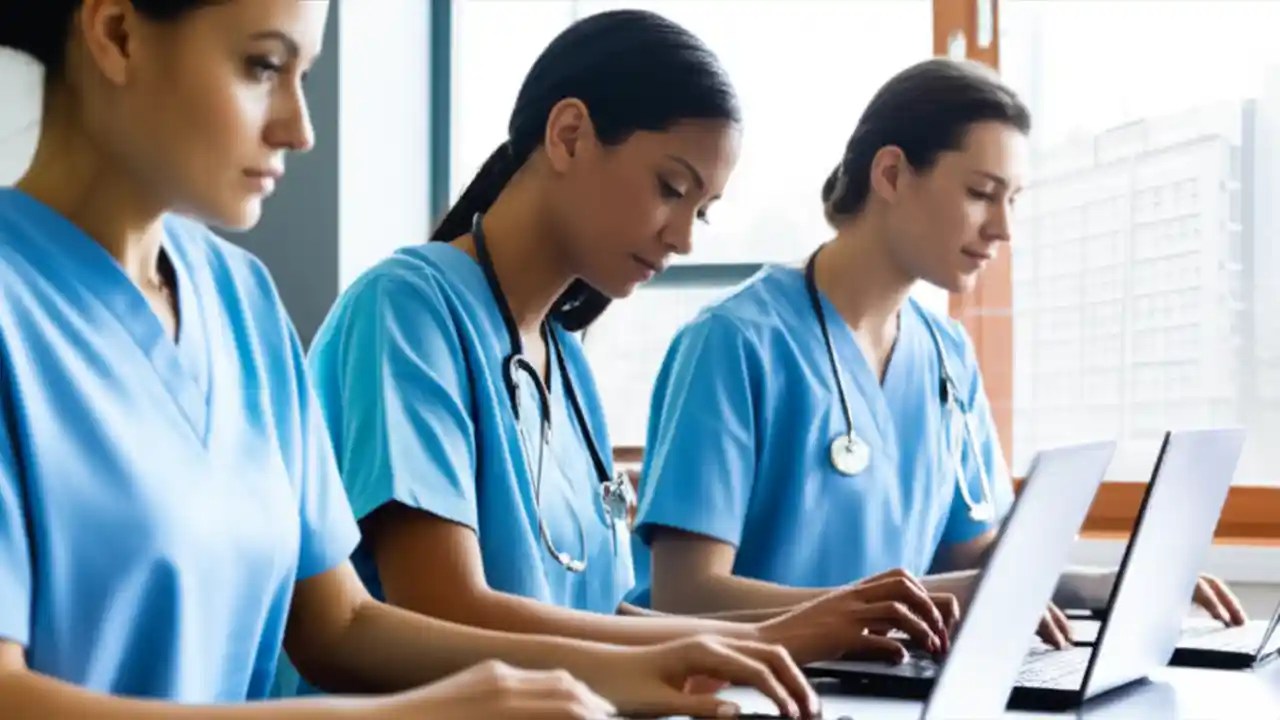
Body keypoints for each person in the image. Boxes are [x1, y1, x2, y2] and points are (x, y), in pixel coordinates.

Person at [0, 2, 828, 718]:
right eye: (262, 66)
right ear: (116, 33)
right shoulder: (16, 307)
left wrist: (640, 663)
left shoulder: (241, 301)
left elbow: (342, 625)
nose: (300, 126)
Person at [305, 7, 956, 685]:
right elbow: (445, 606)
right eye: (670, 189)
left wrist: (783, 635)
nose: (684, 238)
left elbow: (599, 614)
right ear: (569, 135)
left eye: (700, 210)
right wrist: (724, 645)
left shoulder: (567, 363)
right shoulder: (405, 311)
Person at [627, 58, 1248, 644]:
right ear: (892, 174)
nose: (1003, 228)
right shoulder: (734, 343)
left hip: (892, 686)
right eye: (982, 192)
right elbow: (686, 596)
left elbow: (973, 565)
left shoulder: (946, 352)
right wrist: (911, 601)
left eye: (1013, 201)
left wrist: (1105, 586)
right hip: (756, 691)